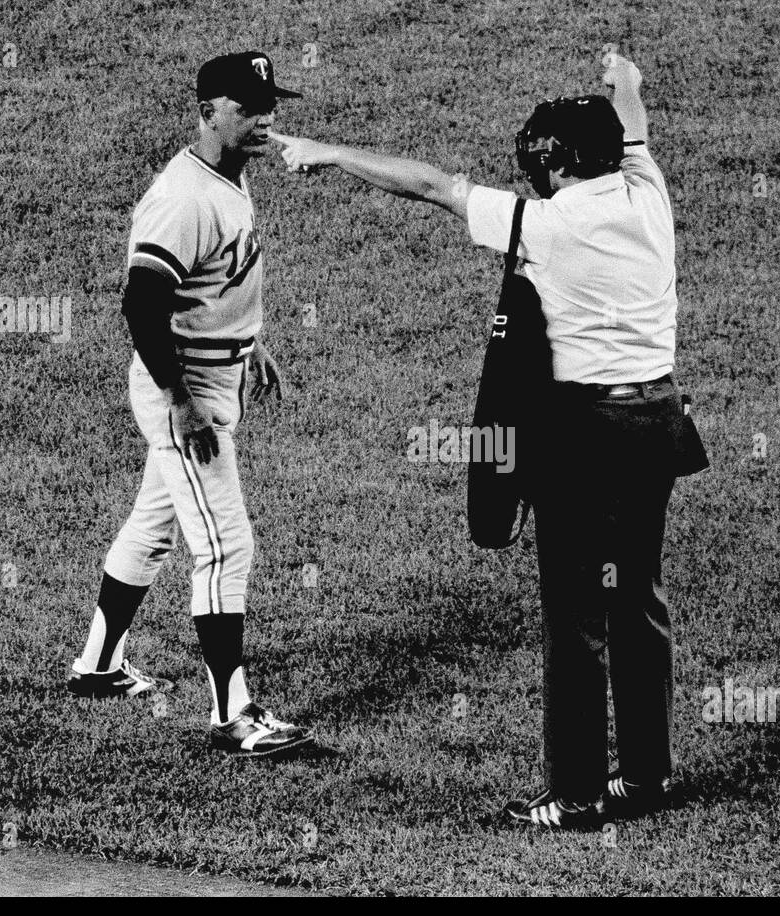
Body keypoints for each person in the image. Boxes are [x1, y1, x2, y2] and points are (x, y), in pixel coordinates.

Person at [272, 54, 685, 824]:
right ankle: (649, 778)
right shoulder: (646, 193)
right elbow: (635, 124)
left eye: (543, 153)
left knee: (575, 618)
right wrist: (623, 77)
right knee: (638, 598)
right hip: (659, 425)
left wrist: (328, 153)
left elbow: (431, 185)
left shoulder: (547, 224)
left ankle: (577, 796)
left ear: (559, 161)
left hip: (588, 436)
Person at [66, 52, 312, 758]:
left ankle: (98, 667)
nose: (264, 117)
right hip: (185, 390)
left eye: (270, 104)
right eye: (248, 106)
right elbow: (142, 306)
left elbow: (217, 282)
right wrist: (182, 403)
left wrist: (250, 341)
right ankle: (233, 714)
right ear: (208, 112)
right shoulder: (184, 197)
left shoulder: (227, 181)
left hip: (212, 376)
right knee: (227, 546)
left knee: (154, 523)